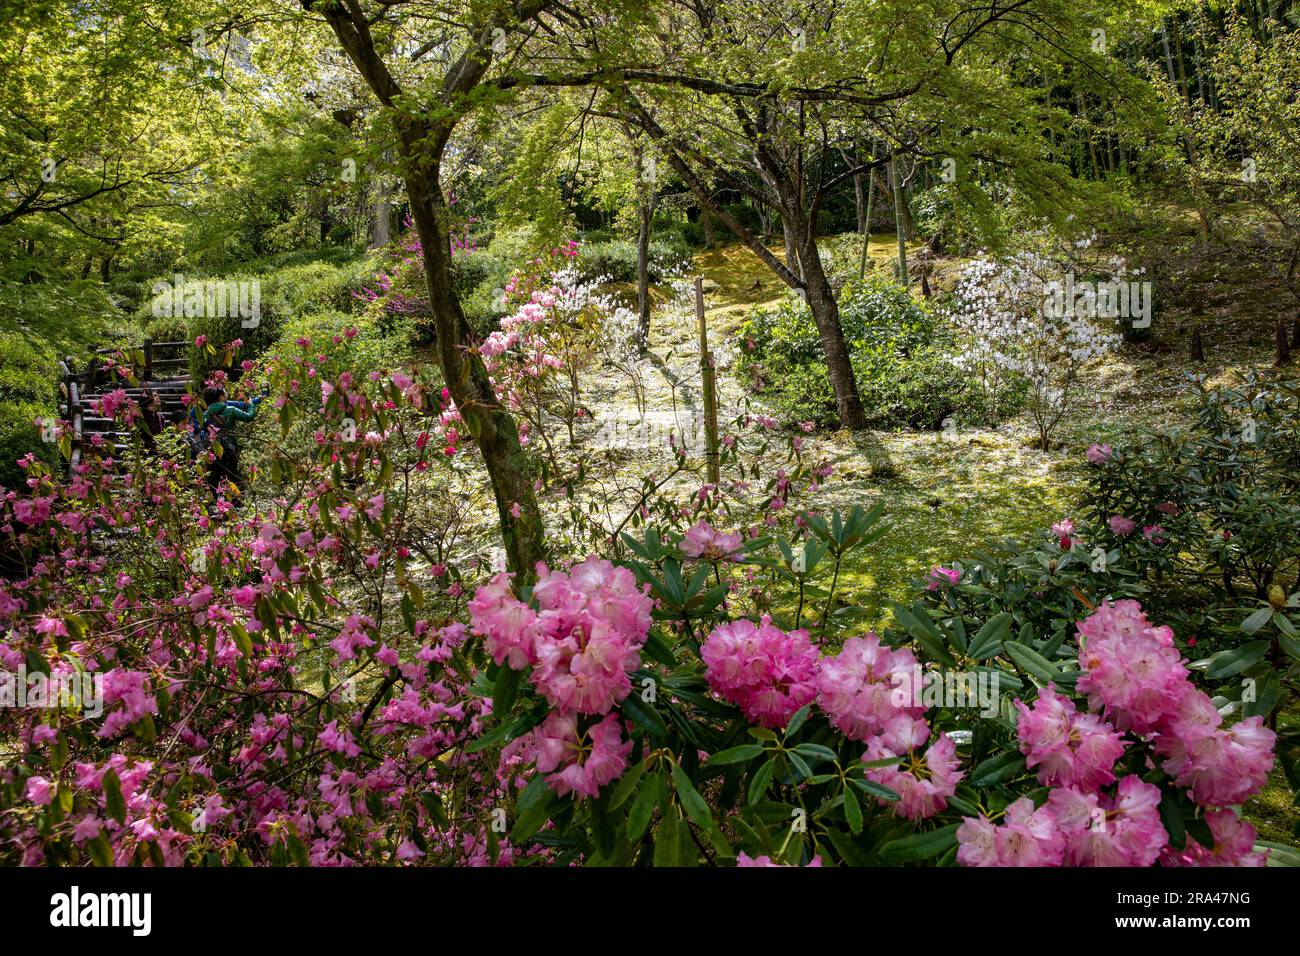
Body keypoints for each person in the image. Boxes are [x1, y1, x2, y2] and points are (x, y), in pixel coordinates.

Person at [199, 384, 263, 499]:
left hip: (211, 451)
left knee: (213, 479)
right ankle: (235, 503)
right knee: (231, 478)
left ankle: (214, 503)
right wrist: (251, 405)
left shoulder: (204, 415)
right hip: (229, 450)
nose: (227, 395)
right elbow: (249, 417)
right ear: (220, 397)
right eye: (225, 393)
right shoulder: (230, 410)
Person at [137, 389, 167, 455]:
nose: (158, 397)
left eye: (157, 395)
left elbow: (162, 435)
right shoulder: (141, 417)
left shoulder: (161, 417)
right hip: (145, 450)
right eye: (155, 395)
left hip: (158, 449)